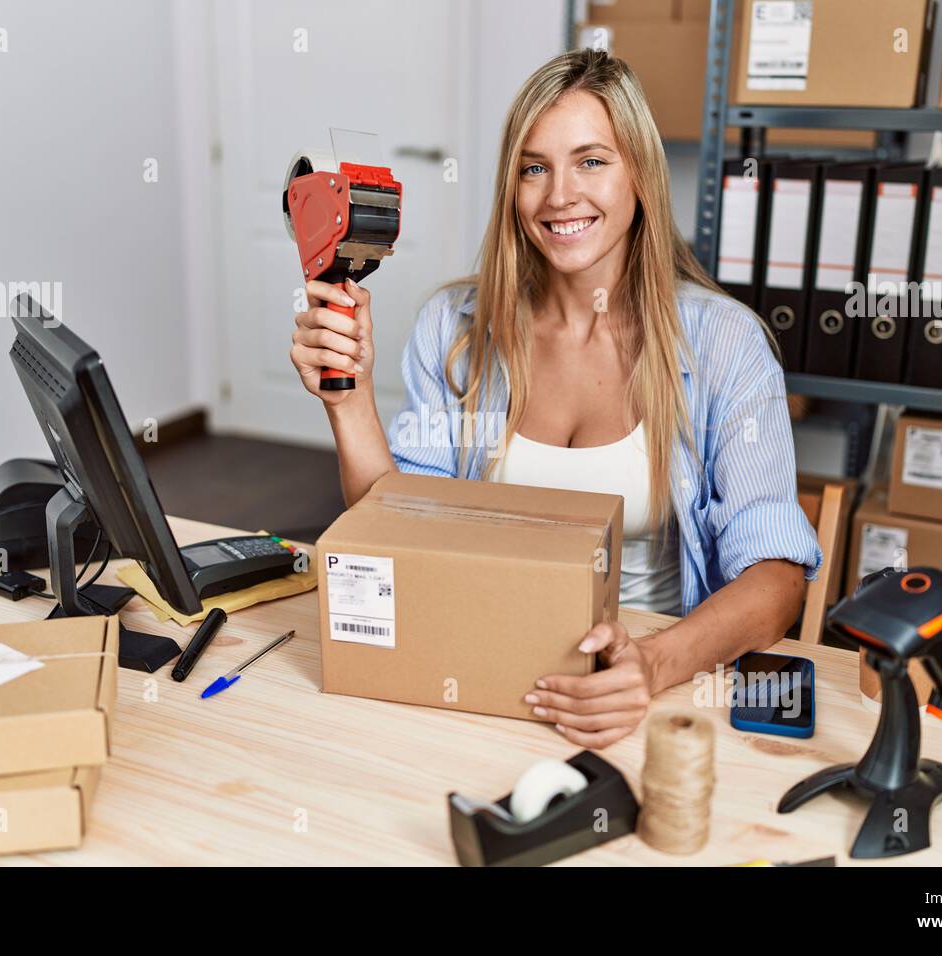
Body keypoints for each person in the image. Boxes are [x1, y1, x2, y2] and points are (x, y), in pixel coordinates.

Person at [289, 49, 822, 748]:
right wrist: (348, 401)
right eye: (534, 167)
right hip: (481, 661)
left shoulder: (726, 347)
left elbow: (777, 580)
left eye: (592, 161)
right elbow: (400, 528)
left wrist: (652, 663)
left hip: (649, 685)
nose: (559, 195)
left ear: (642, 176)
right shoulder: (454, 328)